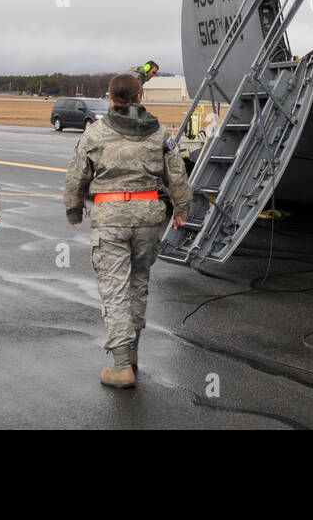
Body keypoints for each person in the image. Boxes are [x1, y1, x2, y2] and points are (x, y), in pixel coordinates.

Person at [63, 72, 192, 388]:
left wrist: (74, 208)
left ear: (111, 97)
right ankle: (132, 352)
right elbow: (177, 177)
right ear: (139, 98)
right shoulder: (160, 133)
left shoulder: (95, 134)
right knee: (137, 284)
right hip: (149, 217)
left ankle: (121, 366)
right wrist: (182, 211)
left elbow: (77, 175)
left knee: (115, 289)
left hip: (111, 218)